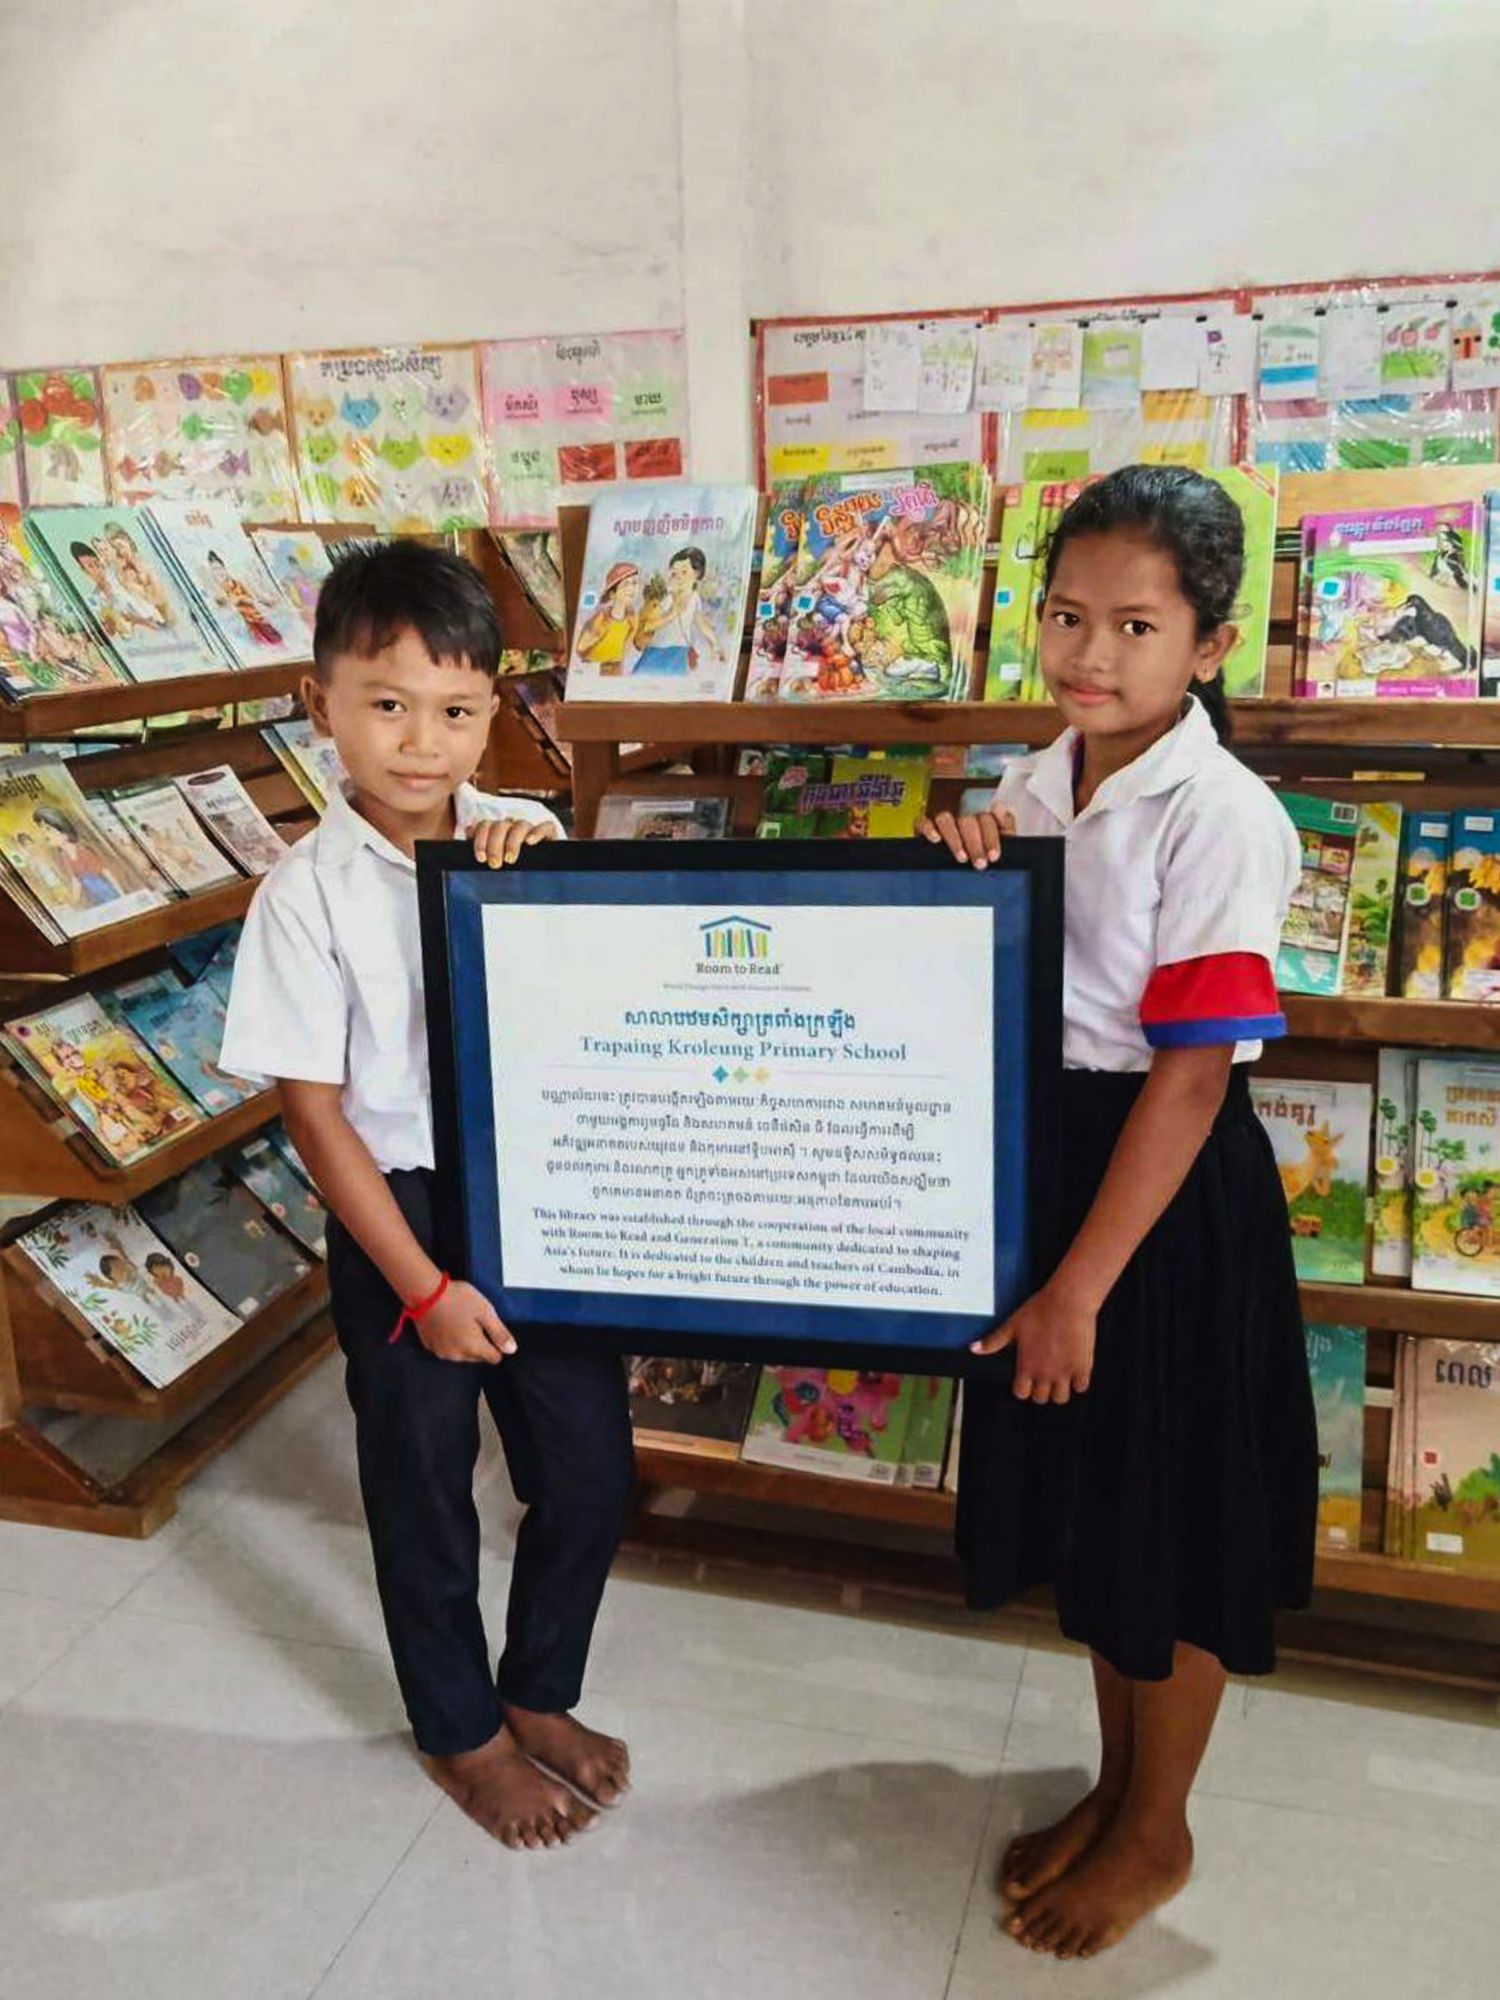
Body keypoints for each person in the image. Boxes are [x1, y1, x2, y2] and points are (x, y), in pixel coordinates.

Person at [919, 465, 1317, 1962]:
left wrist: (1079, 1287)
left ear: (1210, 645)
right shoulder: (1043, 776)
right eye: (1068, 615)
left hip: (1162, 1201)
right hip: (1063, 1164)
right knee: (1105, 1511)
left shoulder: (1221, 814)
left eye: (1137, 625)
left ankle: (1161, 1826)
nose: (1092, 652)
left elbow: (1194, 1076)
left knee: (1181, 1516)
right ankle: (1115, 1784)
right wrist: (968, 863)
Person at [220, 542, 635, 1852]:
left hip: (540, 1195)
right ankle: (460, 1731)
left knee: (590, 1472)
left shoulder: (532, 839)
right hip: (399, 1216)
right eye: (387, 703)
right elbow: (315, 1112)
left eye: (456, 709)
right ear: (319, 702)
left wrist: (541, 886)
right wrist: (421, 1285)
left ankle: (538, 1688)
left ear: (495, 709)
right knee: (422, 1484)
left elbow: (605, 1012)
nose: (422, 741)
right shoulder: (306, 895)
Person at [631, 546, 722, 675]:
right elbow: (647, 625)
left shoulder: (694, 598)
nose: (679, 577)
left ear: (697, 574)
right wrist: (671, 614)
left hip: (679, 654)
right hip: (657, 652)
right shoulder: (666, 598)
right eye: (674, 573)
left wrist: (715, 644)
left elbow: (701, 623)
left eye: (684, 572)